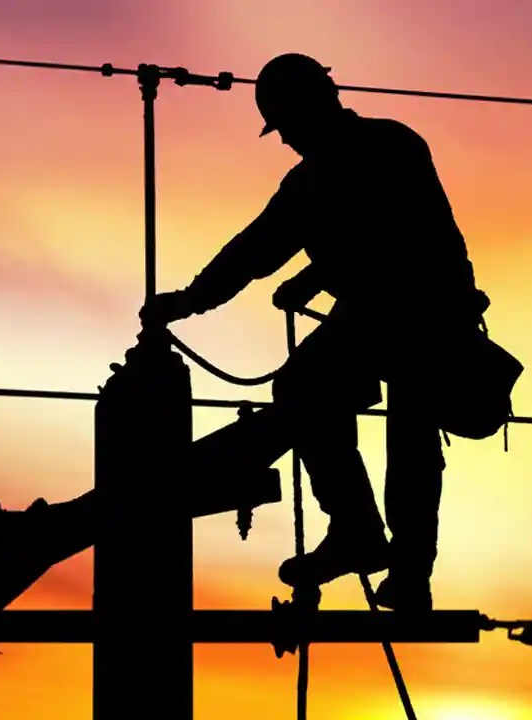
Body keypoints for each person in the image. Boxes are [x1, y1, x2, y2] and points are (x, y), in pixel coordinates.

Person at [140, 52, 488, 611]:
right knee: (337, 403)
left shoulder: (334, 172)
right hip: (406, 311)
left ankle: (374, 544)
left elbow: (384, 237)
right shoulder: (384, 147)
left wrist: (188, 302)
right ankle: (384, 553)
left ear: (306, 108)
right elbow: (268, 248)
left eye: (283, 126)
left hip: (419, 314)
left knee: (383, 424)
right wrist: (304, 278)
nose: (283, 140)